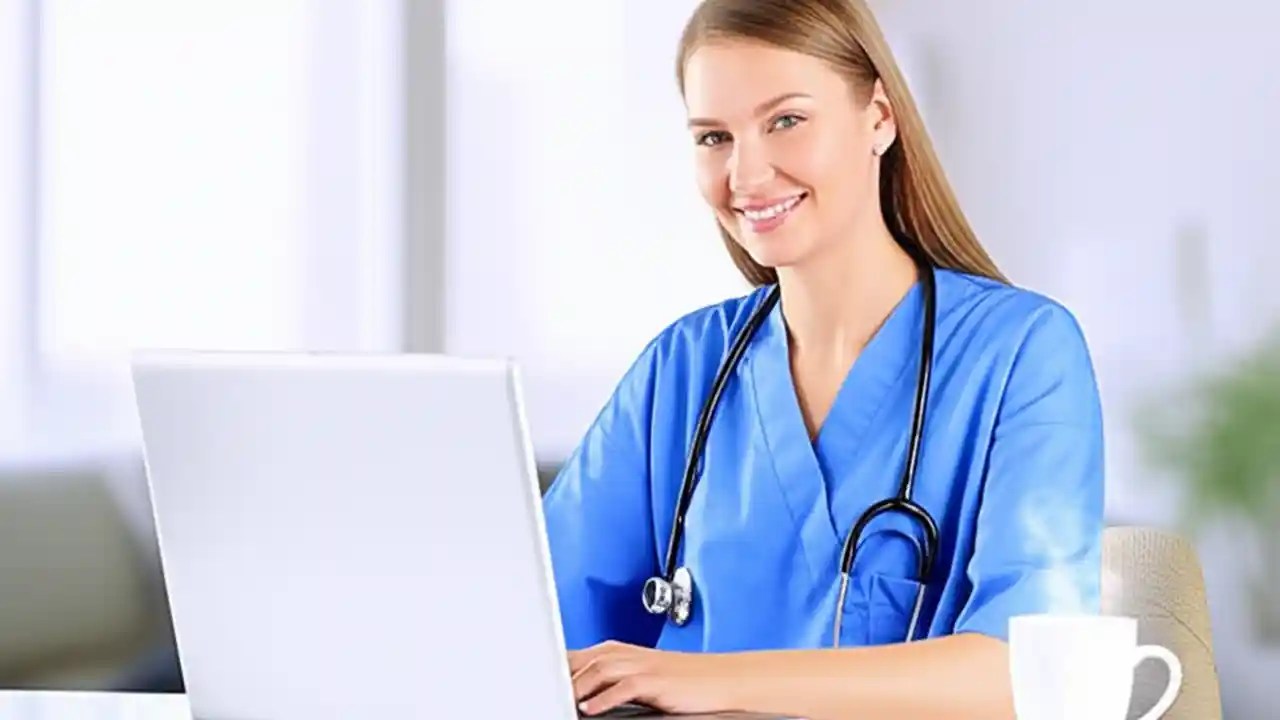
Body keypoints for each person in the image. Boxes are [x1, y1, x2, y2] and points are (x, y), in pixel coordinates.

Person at [541, 1, 1104, 718]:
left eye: (785, 120)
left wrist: (705, 680)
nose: (745, 174)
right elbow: (528, 626)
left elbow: (1027, 673)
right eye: (714, 136)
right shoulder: (683, 369)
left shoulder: (1021, 353)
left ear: (879, 117)